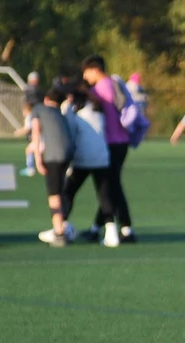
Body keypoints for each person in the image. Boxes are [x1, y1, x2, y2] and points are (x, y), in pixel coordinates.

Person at [80, 55, 135, 244]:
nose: (85, 77)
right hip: (122, 141)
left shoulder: (98, 89)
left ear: (94, 70)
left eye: (86, 72)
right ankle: (97, 228)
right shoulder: (114, 83)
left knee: (111, 187)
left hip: (109, 142)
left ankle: (126, 228)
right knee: (110, 187)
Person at [57, 81, 116, 246]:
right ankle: (112, 233)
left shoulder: (75, 113)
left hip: (82, 160)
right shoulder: (98, 110)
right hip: (102, 158)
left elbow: (69, 135)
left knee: (68, 192)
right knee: (104, 195)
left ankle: (60, 228)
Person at [22, 91, 75, 246]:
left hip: (53, 156)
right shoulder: (59, 112)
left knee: (54, 194)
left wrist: (38, 159)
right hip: (68, 154)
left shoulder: (38, 110)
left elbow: (36, 134)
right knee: (60, 190)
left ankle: (59, 232)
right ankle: (62, 225)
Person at [19, 72, 43, 175]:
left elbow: (29, 127)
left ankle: (31, 169)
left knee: (31, 149)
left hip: (39, 129)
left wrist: (19, 132)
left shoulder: (29, 90)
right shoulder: (40, 91)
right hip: (41, 123)